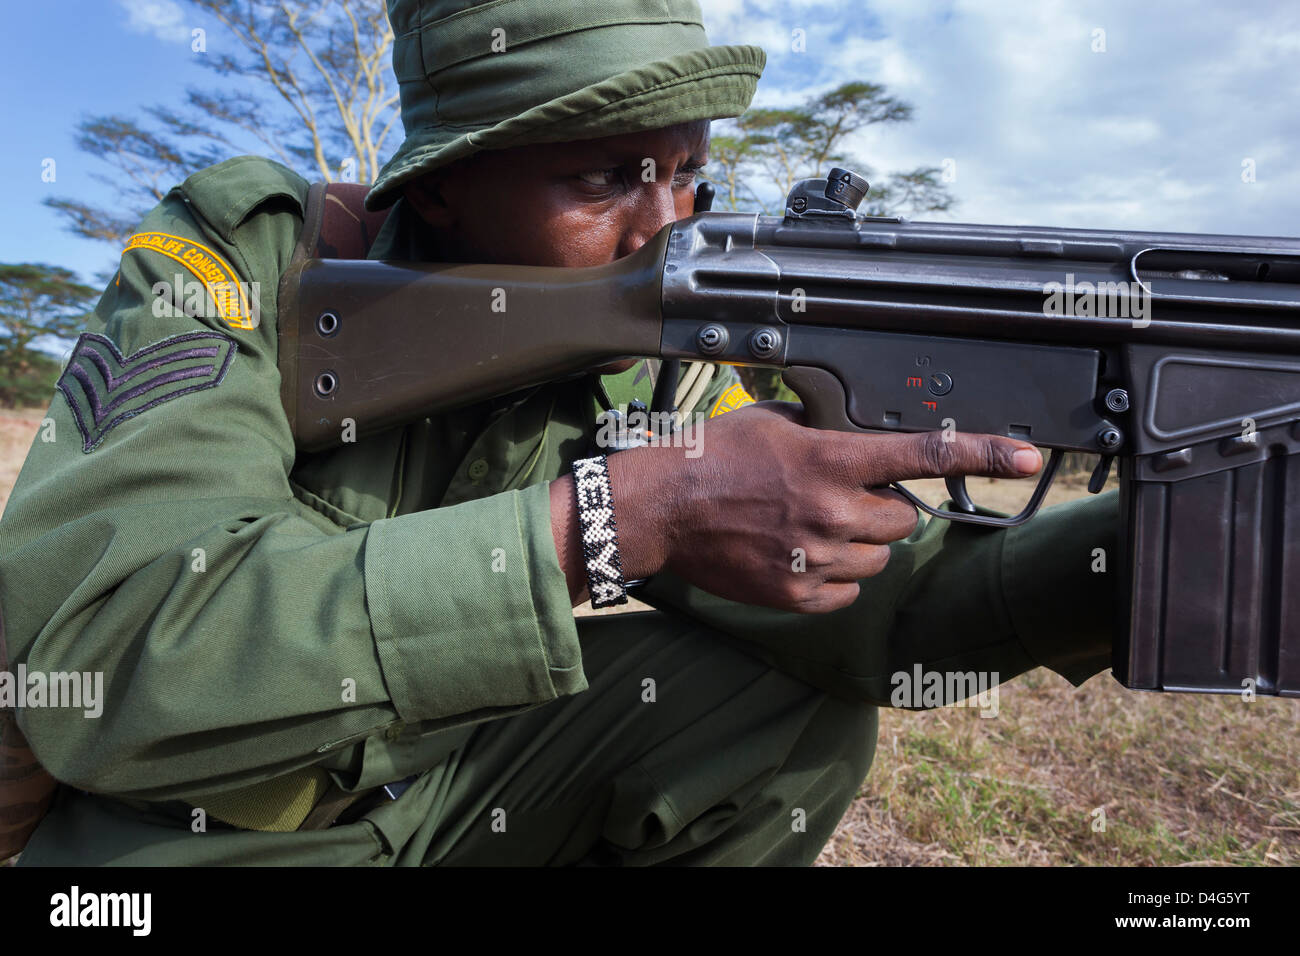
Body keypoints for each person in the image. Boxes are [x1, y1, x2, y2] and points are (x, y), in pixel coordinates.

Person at [0, 0, 1116, 866]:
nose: (666, 230)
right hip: (181, 842)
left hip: (459, 801)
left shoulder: (663, 360)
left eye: (687, 173)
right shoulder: (247, 255)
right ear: (438, 185)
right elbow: (103, 658)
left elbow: (886, 622)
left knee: (777, 714)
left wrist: (1142, 552)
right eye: (603, 176)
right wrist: (625, 516)